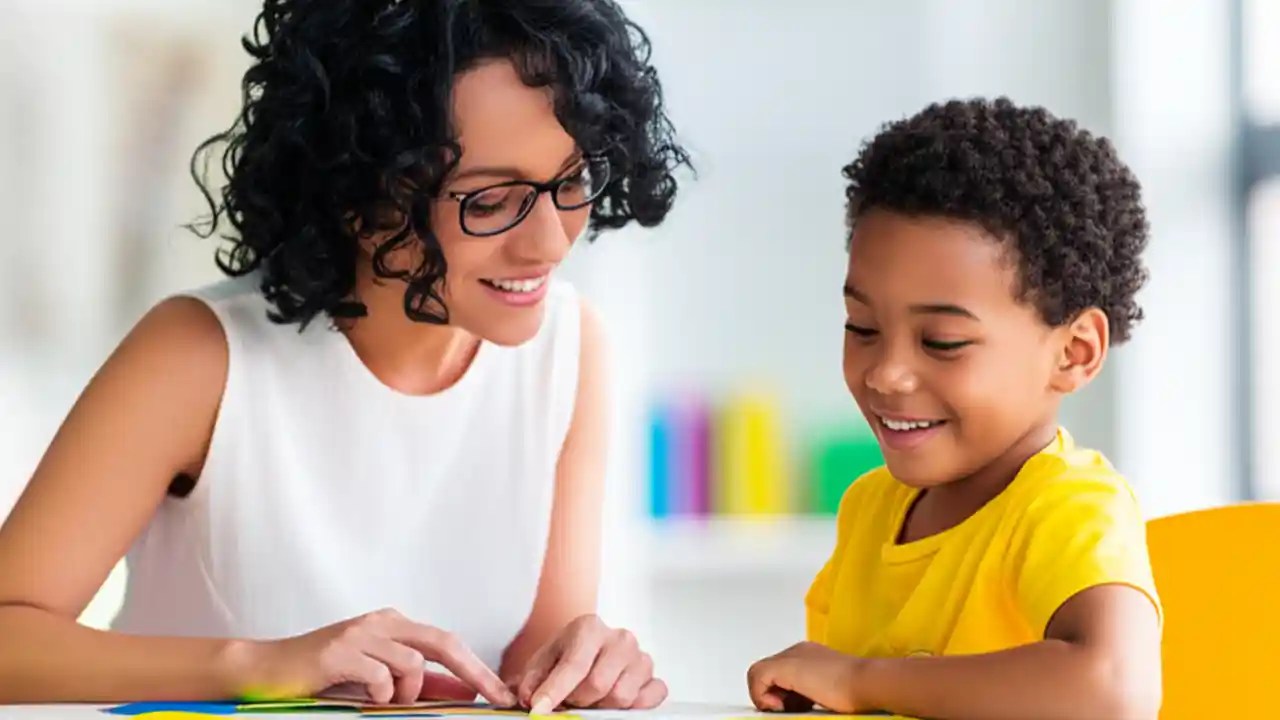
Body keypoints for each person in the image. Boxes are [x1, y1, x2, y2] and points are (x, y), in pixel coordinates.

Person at [0, 1, 689, 713]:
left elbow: (530, 678)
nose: (550, 242)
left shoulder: (569, 349)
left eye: (571, 182)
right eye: (489, 201)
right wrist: (261, 665)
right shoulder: (199, 356)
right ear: (359, 191)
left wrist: (588, 668)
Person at [746, 97, 1162, 719]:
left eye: (942, 342)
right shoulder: (869, 509)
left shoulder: (1067, 507)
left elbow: (1113, 690)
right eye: (862, 327)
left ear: (1073, 352)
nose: (886, 373)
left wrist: (860, 680)